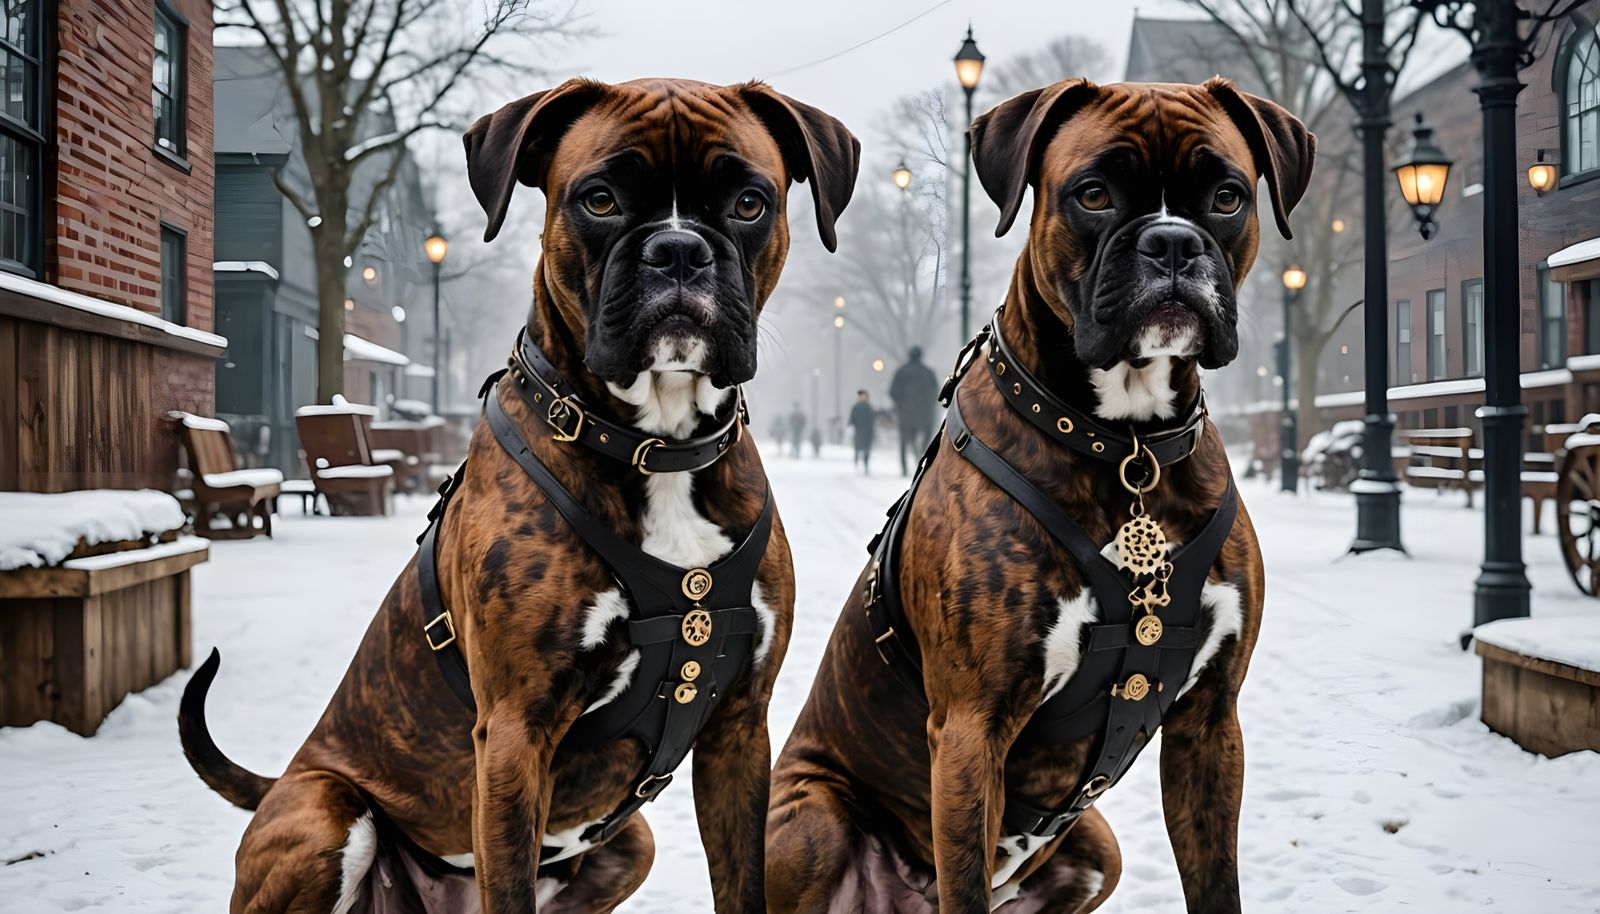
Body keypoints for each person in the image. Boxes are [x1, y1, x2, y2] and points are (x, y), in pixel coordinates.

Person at [889, 346, 940, 476]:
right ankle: (921, 458)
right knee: (925, 437)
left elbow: (893, 392)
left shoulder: (901, 372)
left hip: (906, 413)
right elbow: (935, 393)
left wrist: (901, 403)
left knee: (904, 441)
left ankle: (904, 468)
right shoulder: (928, 373)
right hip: (924, 414)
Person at [848, 390, 876, 474]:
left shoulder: (869, 407)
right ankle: (856, 462)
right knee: (857, 448)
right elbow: (852, 418)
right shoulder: (856, 407)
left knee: (867, 449)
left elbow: (872, 420)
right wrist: (851, 426)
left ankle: (866, 464)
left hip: (867, 432)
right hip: (858, 431)